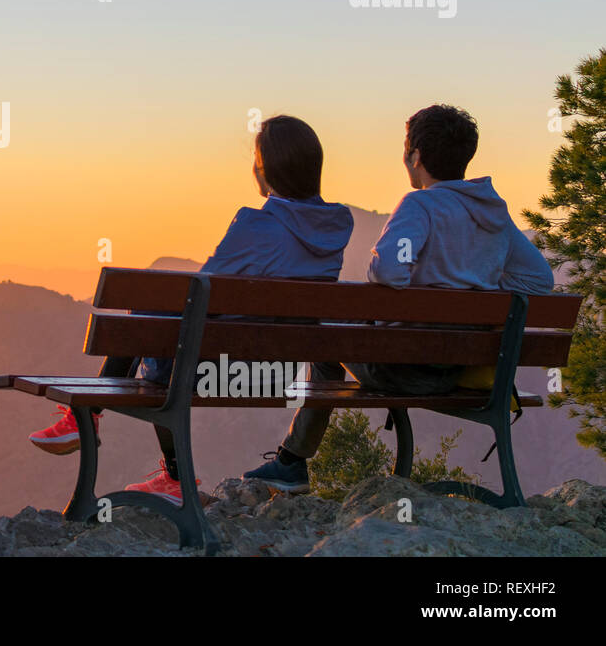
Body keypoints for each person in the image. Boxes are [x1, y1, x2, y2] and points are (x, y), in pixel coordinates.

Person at [28, 115, 354, 506]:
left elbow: (200, 295)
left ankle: (103, 431)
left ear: (263, 169)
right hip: (277, 376)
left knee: (154, 323)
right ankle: (109, 435)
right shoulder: (337, 226)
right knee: (159, 325)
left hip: (218, 372)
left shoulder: (256, 224)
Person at [244, 104, 556, 494]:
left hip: (403, 368)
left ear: (416, 157)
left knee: (321, 333)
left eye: (405, 149)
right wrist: (478, 287)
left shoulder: (420, 206)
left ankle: (292, 463)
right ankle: (293, 462)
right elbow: (539, 280)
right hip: (457, 371)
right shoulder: (493, 212)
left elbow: (389, 271)